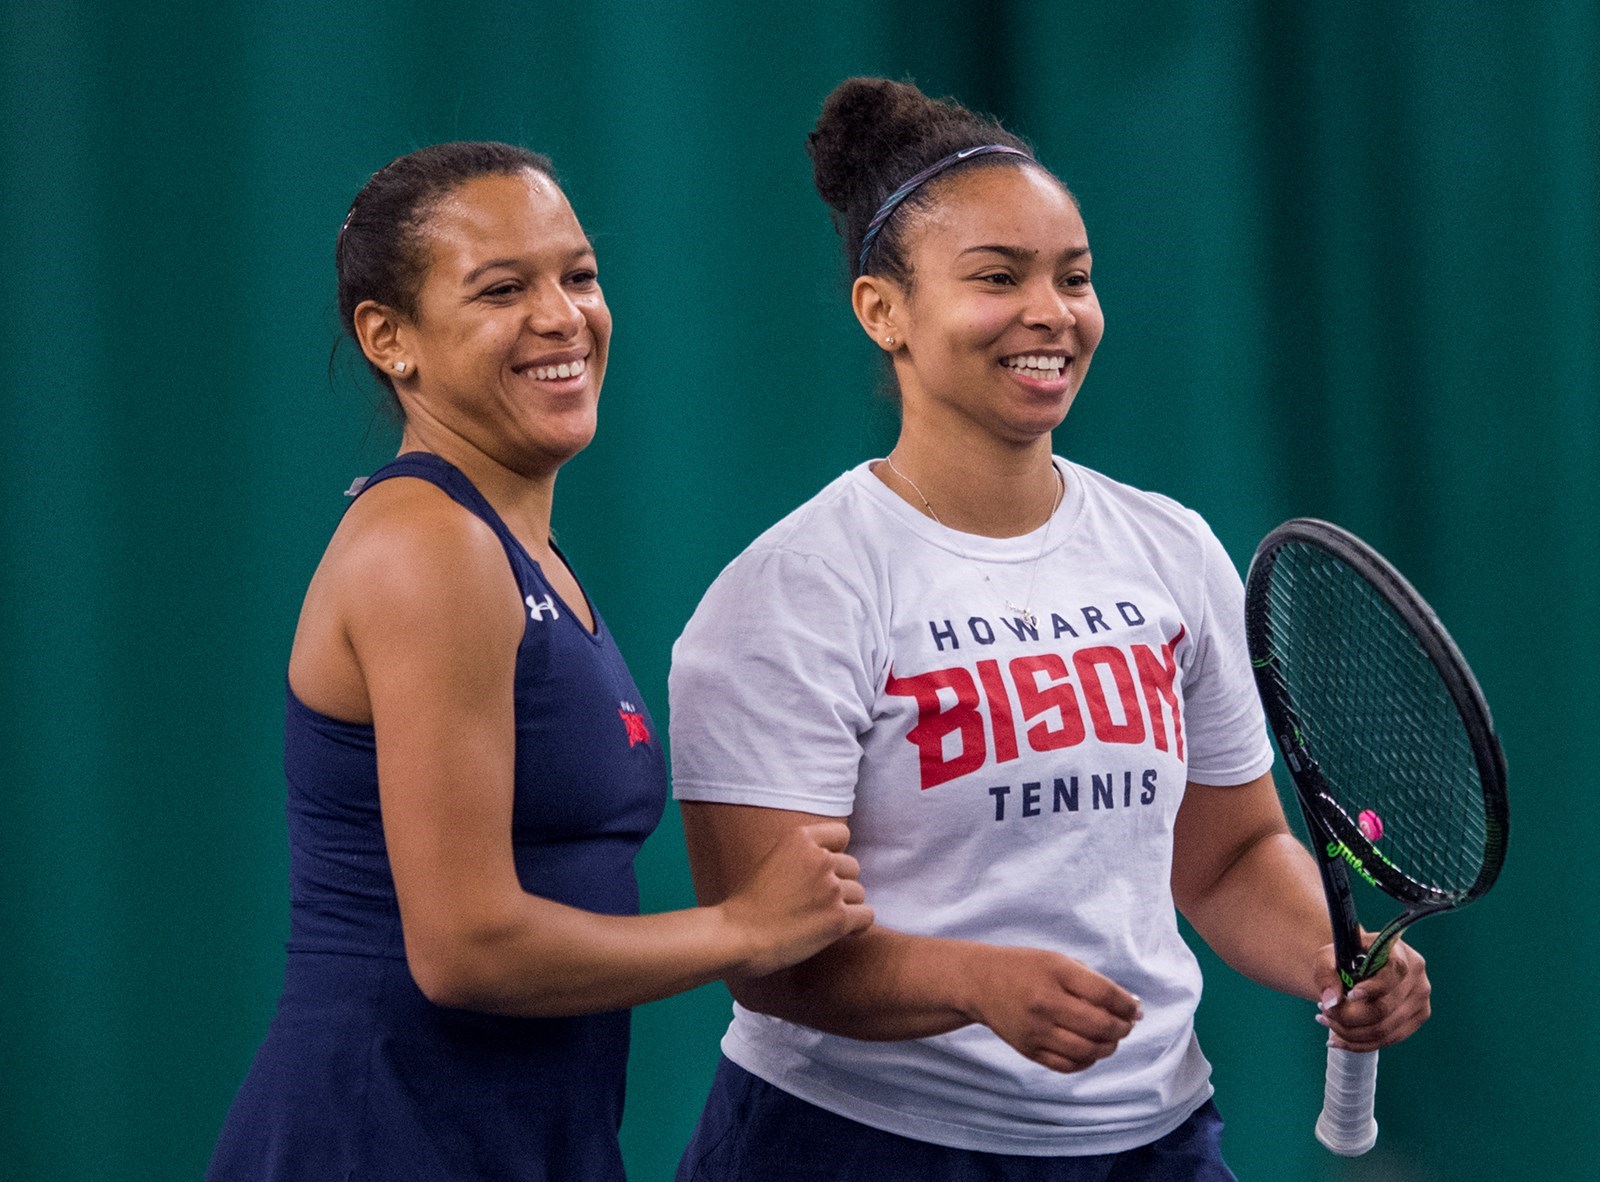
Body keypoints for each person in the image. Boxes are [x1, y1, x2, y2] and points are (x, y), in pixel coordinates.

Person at [667, 80, 1432, 1180]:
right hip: (858, 1145)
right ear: (882, 311)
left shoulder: (1167, 548)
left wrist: (1329, 952)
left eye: (1073, 277)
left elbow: (1224, 858)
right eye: (997, 278)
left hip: (1153, 1140)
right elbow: (769, 957)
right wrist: (970, 982)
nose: (1051, 311)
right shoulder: (793, 591)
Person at [205, 141, 872, 1182]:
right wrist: (743, 930)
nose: (562, 317)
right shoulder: (432, 548)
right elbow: (467, 947)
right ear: (391, 340)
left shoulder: (517, 554)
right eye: (501, 289)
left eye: (579, 275)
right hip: (377, 1142)